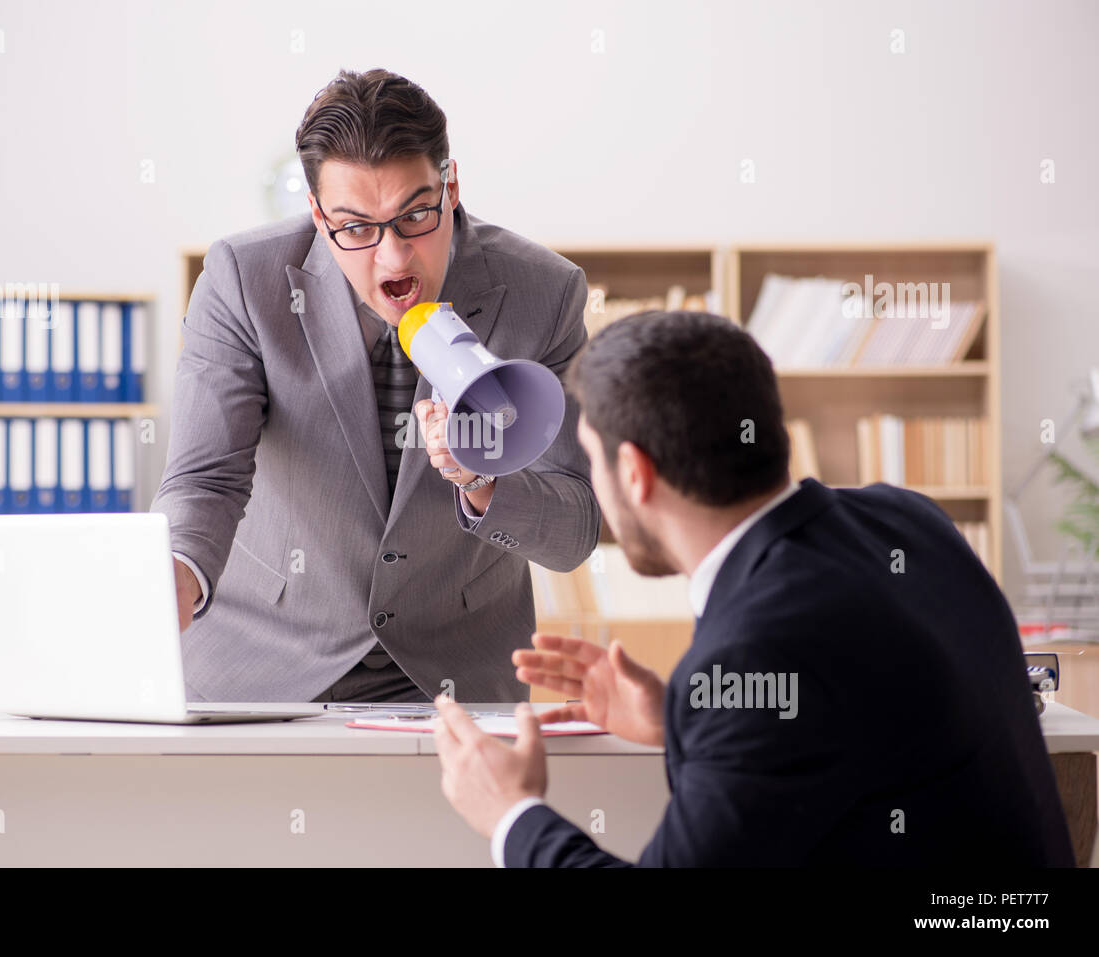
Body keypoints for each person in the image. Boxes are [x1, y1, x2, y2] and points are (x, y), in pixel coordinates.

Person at [433, 309, 1074, 866]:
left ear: (634, 473)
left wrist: (510, 813)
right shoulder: (908, 520)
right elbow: (857, 721)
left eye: (592, 460)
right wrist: (682, 716)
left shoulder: (757, 650)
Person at [150, 69, 600, 703]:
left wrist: (484, 482)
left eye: (416, 215)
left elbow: (573, 530)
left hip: (455, 682)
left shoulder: (543, 293)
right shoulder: (243, 282)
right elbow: (206, 478)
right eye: (356, 228)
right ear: (315, 212)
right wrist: (175, 574)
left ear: (451, 188)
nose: (393, 258)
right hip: (263, 674)